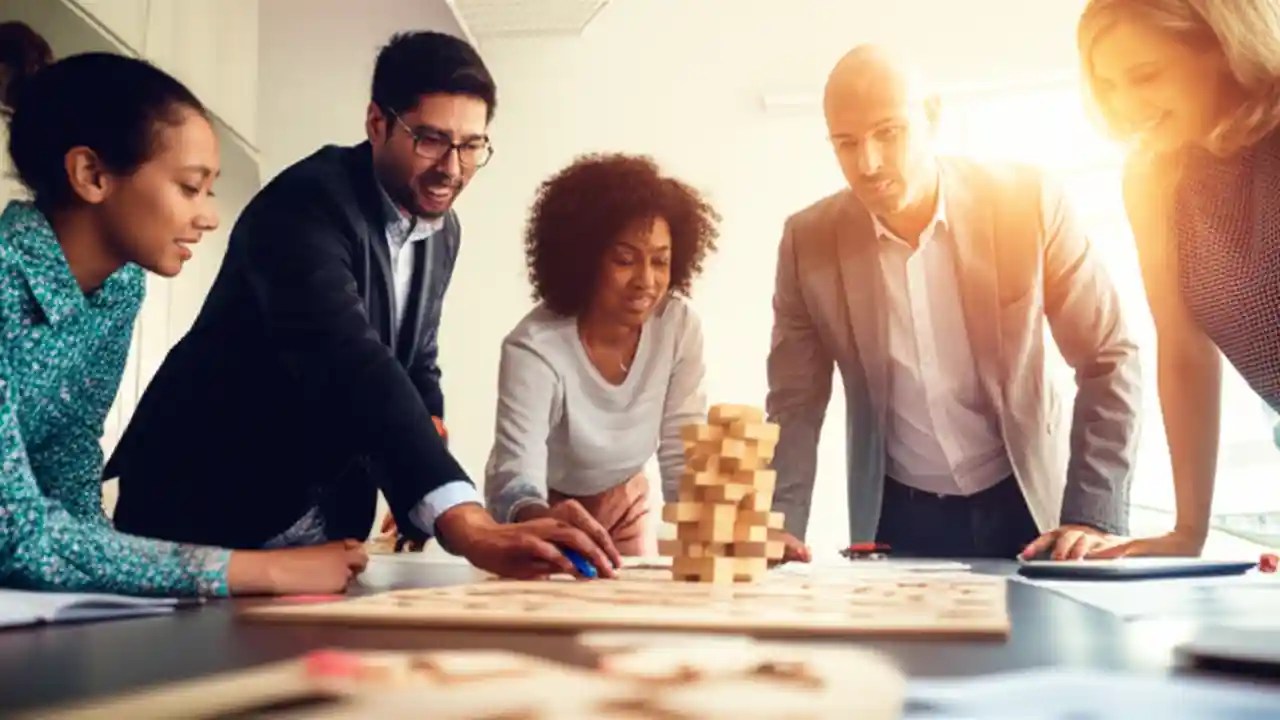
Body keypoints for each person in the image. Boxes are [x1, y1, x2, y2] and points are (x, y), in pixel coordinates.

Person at [105, 30, 619, 580]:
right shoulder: (305, 206)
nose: (453, 167)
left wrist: (420, 477)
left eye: (472, 145)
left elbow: (416, 362)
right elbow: (350, 360)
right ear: (377, 124)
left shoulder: (441, 231)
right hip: (203, 509)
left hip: (319, 524)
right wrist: (465, 519)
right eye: (431, 139)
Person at [0, 23, 366, 596]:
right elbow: (14, 532)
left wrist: (115, 589)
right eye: (191, 187)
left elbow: (69, 475)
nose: (209, 216)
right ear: (91, 175)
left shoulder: (117, 291)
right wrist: (252, 568)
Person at [767, 44, 1143, 561]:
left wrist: (1093, 515)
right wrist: (778, 524)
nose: (868, 163)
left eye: (888, 133)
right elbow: (795, 401)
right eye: (846, 143)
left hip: (1035, 503)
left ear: (932, 115)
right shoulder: (807, 242)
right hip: (898, 516)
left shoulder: (1028, 202)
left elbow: (1108, 357)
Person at [1054, 0, 1280, 558]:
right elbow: (1183, 352)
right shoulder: (1152, 177)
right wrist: (1187, 532)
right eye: (1110, 86)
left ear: (1221, 51)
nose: (1127, 108)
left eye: (1146, 76)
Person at [484, 154, 718, 555]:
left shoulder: (679, 328)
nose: (646, 281)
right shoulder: (535, 347)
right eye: (625, 260)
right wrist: (538, 520)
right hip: (547, 506)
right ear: (584, 258)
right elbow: (516, 471)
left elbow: (683, 450)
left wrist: (708, 542)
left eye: (660, 261)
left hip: (628, 501)